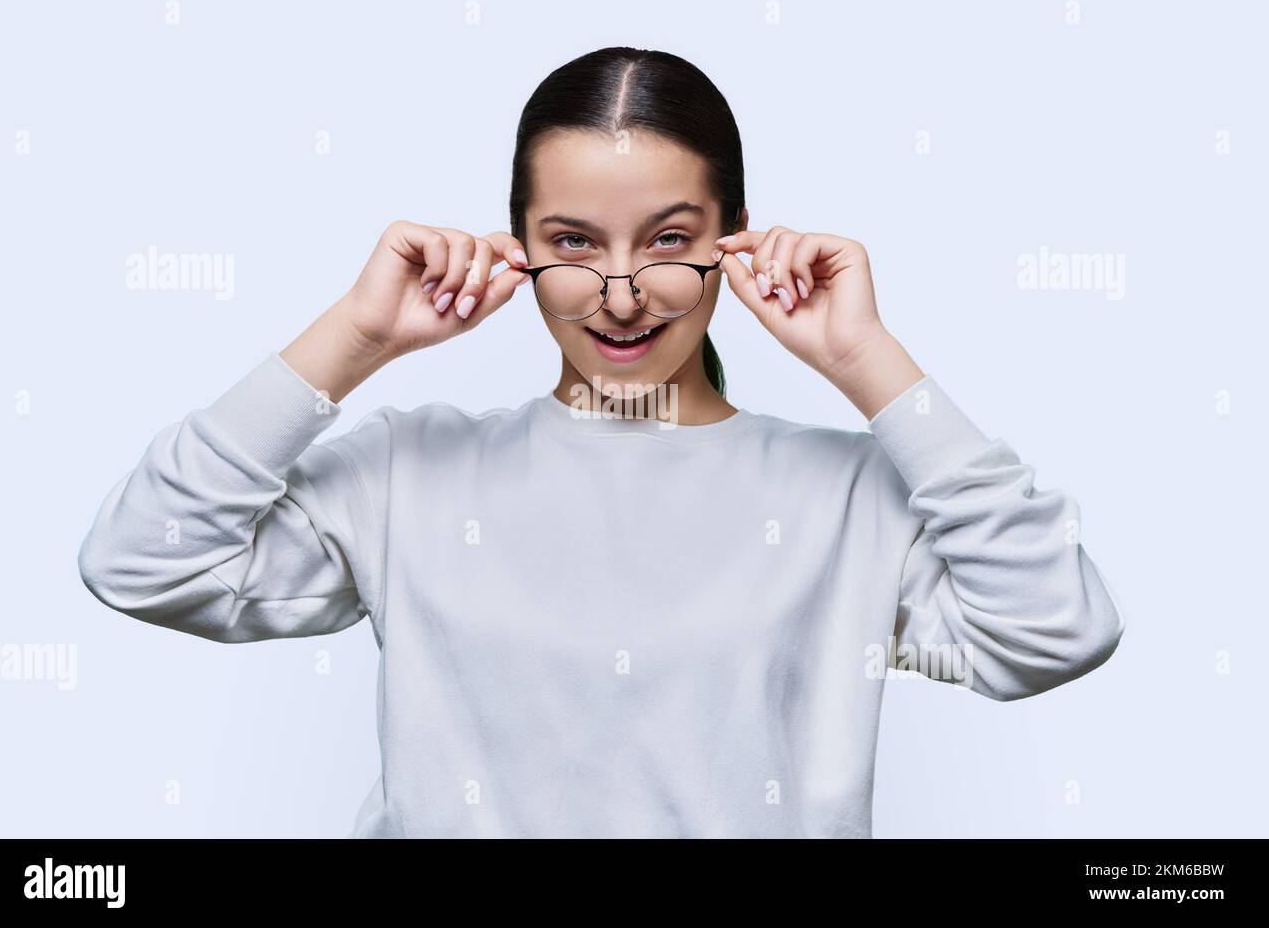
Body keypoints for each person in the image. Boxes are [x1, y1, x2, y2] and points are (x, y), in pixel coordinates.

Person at [77, 46, 1125, 837]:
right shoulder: (408, 472)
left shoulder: (846, 495)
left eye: (670, 240)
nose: (622, 296)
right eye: (573, 242)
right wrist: (352, 339)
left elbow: (1052, 629)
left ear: (736, 239)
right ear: (516, 244)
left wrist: (869, 364)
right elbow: (141, 560)